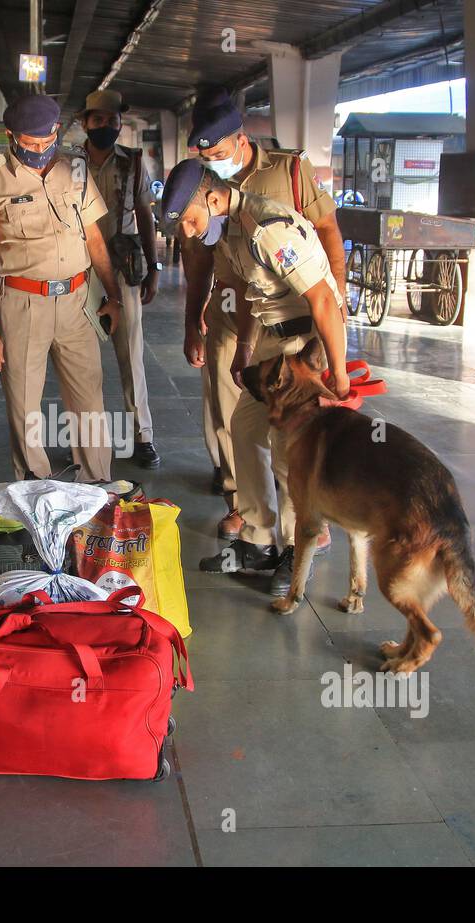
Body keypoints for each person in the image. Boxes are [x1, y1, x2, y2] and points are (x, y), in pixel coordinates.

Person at [161, 162, 350, 597]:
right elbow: (249, 295)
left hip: (303, 350)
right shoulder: (230, 231)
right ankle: (259, 542)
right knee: (244, 430)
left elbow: (322, 298)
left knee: (289, 458)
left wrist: (338, 375)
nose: (189, 233)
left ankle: (295, 552)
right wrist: (244, 352)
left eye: (190, 220)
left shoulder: (269, 229)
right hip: (271, 349)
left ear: (213, 198)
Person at [181, 86, 346, 546]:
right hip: (251, 314)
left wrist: (338, 356)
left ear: (240, 138)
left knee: (286, 444)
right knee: (238, 423)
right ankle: (256, 529)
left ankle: (300, 538)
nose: (213, 160)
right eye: (205, 155)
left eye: (218, 151)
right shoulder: (208, 191)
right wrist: (207, 327)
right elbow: (222, 273)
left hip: (300, 323)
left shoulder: (287, 175)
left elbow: (327, 234)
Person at [0, 93, 124, 482]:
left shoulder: (75, 169)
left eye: (46, 141)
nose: (39, 150)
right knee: (25, 405)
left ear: (57, 131)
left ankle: (97, 486)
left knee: (89, 400)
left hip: (77, 300)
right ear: (11, 136)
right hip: (21, 304)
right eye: (29, 144)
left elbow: (94, 239)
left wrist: (113, 296)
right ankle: (35, 492)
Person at [79, 88, 162, 470]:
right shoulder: (70, 164)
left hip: (124, 267)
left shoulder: (132, 162)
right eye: (99, 120)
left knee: (131, 354)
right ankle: (89, 439)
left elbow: (145, 214)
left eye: (112, 121)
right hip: (79, 271)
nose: (107, 126)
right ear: (85, 123)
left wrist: (153, 267)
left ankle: (143, 435)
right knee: (81, 358)